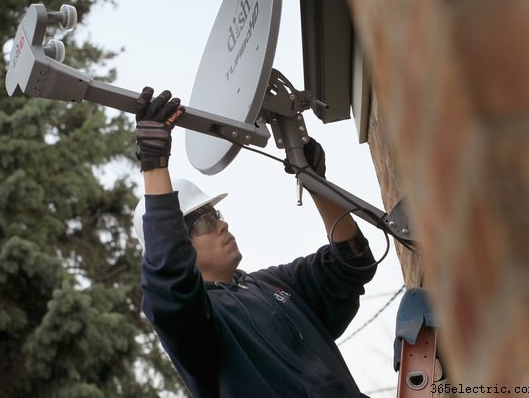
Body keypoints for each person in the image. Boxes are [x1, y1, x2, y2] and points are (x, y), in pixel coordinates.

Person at [133, 87, 376, 397]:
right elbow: (168, 276)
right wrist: (155, 165)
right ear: (179, 244)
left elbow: (351, 263)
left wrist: (318, 184)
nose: (222, 224)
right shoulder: (195, 324)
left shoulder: (276, 285)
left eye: (216, 214)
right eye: (205, 221)